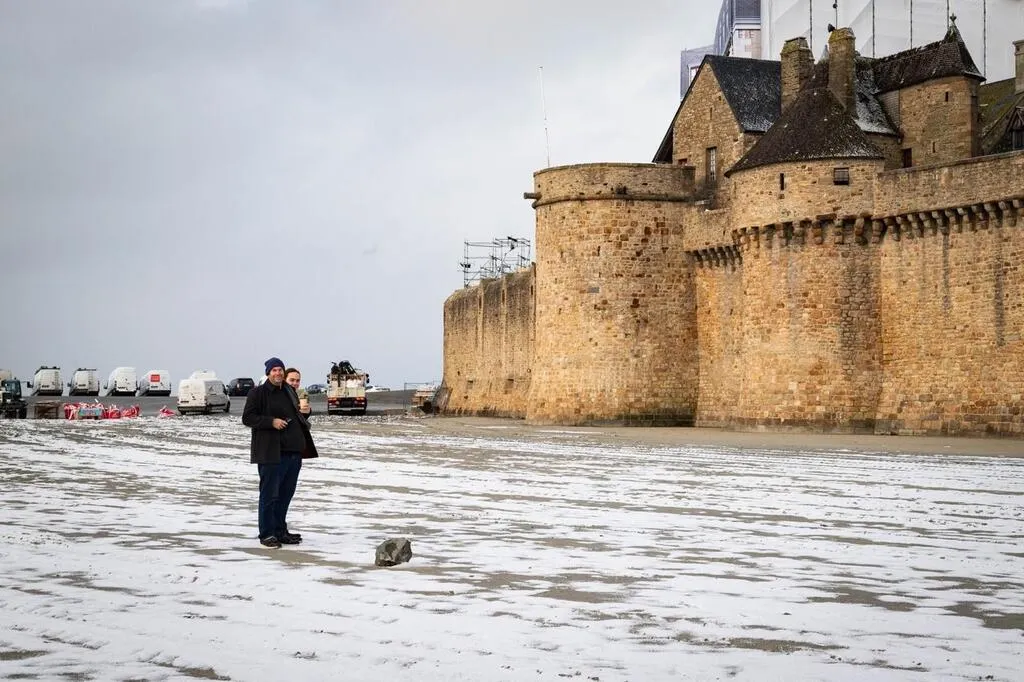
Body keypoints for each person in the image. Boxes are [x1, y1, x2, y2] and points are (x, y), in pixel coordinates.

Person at [242, 357, 318, 548]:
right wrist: (271, 422)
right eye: (274, 370)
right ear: (268, 373)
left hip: (293, 452)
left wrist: (306, 413)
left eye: (280, 370)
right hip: (271, 453)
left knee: (285, 494)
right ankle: (267, 533)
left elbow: (295, 415)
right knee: (269, 495)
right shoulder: (257, 393)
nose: (278, 373)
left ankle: (280, 530)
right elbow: (248, 418)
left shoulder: (289, 391)